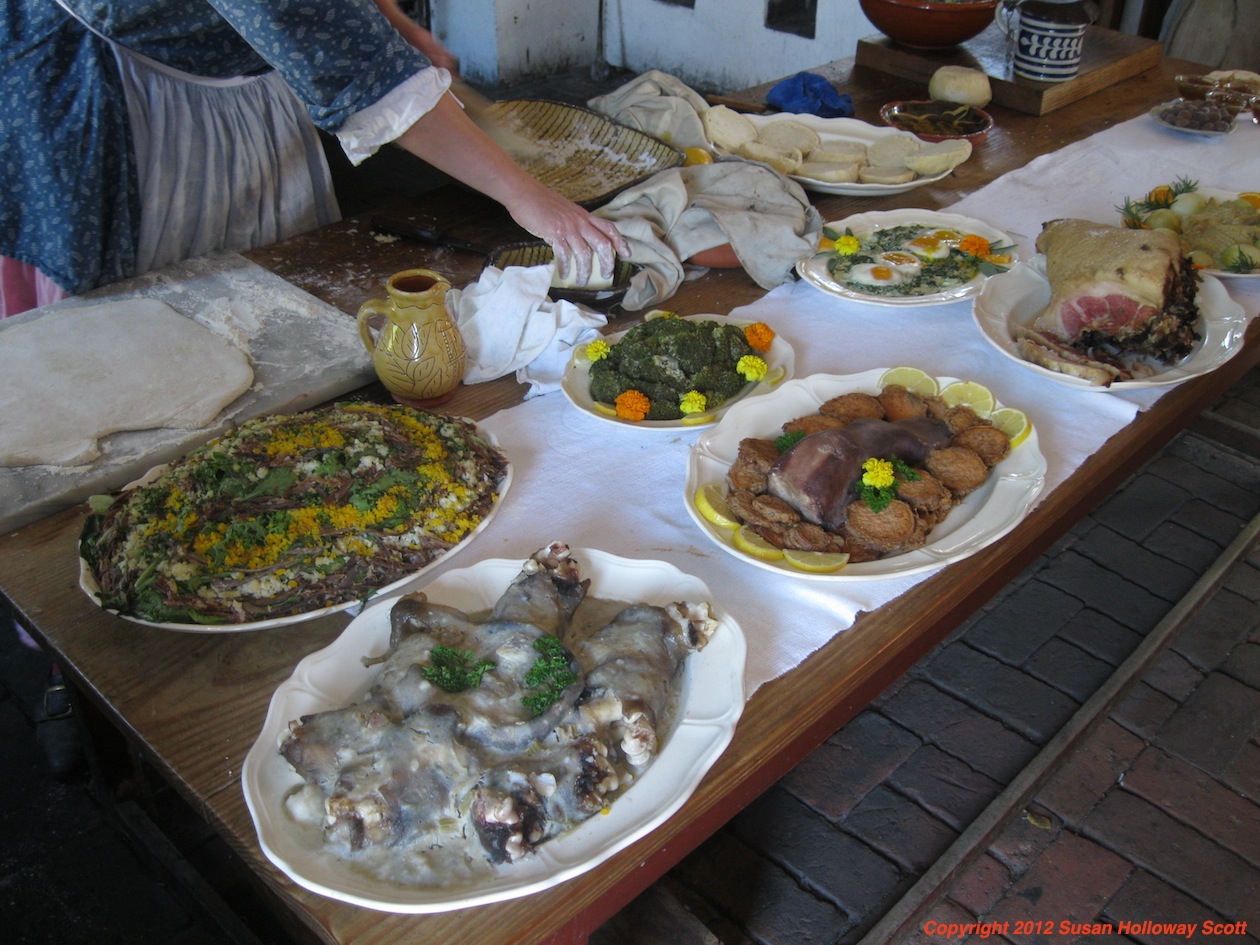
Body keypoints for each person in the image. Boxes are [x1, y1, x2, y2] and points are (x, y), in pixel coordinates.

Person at [0, 0, 628, 318]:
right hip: (123, 87)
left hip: (231, 65)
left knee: (267, 293)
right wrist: (528, 196)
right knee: (159, 319)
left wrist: (389, 20)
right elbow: (361, 74)